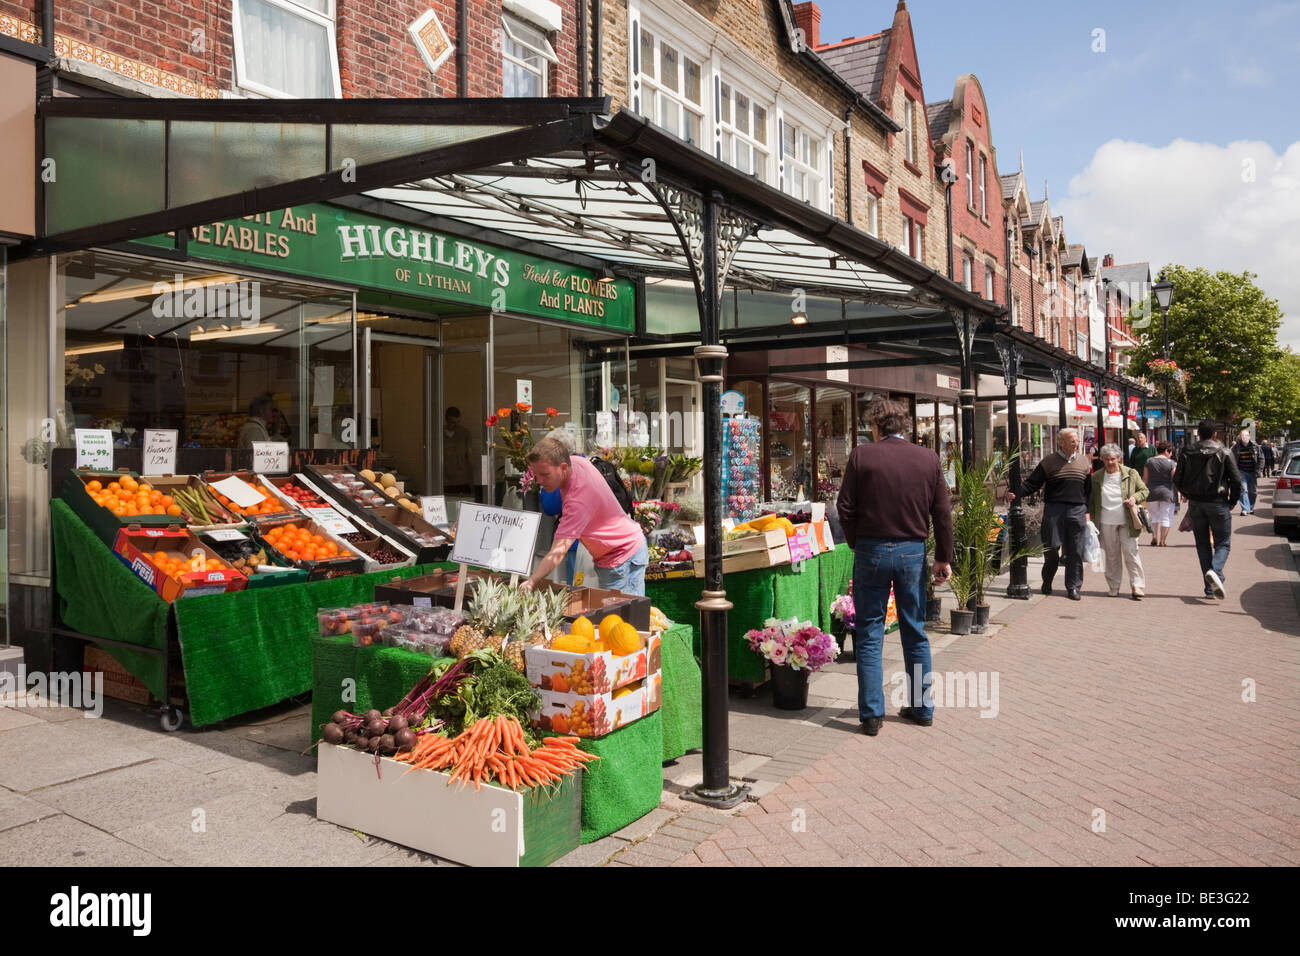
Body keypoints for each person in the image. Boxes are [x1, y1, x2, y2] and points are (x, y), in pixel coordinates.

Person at [837, 399, 953, 736]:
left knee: (870, 632)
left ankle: (872, 715)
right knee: (914, 631)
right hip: (911, 551)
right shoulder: (927, 458)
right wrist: (943, 557)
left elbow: (845, 507)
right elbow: (942, 512)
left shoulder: (862, 455)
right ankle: (921, 707)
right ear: (904, 426)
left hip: (872, 548)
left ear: (875, 425)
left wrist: (859, 541)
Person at [521, 436, 648, 596]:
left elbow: (558, 552)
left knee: (625, 618)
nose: (539, 481)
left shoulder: (577, 502)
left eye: (545, 474)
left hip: (622, 557)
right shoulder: (576, 461)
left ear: (563, 467)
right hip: (622, 552)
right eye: (536, 475)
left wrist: (532, 581)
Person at [1009, 428, 1092, 601]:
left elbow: (1088, 491)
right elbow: (1033, 483)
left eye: (1077, 440)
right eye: (1072, 440)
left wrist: (1088, 511)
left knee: (1075, 551)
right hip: (1054, 510)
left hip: (1077, 510)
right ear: (1061, 442)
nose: (1076, 443)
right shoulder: (1049, 461)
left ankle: (1074, 587)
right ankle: (1047, 581)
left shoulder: (1084, 462)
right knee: (1051, 549)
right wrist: (1016, 492)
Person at [1175, 420, 1242, 600]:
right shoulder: (1224, 451)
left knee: (1203, 545)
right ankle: (1215, 571)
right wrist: (1233, 500)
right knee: (1223, 543)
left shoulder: (1188, 451)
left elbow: (1177, 479)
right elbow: (1236, 480)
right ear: (1214, 434)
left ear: (1198, 433)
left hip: (1196, 503)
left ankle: (1210, 588)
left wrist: (1186, 493)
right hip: (1218, 501)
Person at [1089, 444, 1149, 599]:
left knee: (1131, 553)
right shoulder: (1096, 477)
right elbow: (1092, 501)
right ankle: (1114, 586)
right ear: (1102, 459)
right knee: (1111, 555)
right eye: (1106, 459)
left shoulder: (1131, 473)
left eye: (1113, 459)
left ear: (1119, 459)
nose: (1110, 462)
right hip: (1106, 521)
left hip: (1127, 520)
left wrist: (1134, 498)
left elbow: (1144, 490)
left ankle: (1137, 585)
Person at [1143, 441, 1178, 547]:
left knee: (1153, 516)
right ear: (1167, 451)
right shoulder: (1171, 463)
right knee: (1166, 517)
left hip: (1152, 492)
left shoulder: (1149, 461)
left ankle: (1154, 536)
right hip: (1167, 492)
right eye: (1171, 452)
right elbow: (1174, 479)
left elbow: (1145, 479)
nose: (1171, 454)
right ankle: (1162, 540)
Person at [442, 406, 474, 494]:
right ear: (446, 419)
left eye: (458, 422)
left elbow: (469, 456)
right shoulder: (438, 434)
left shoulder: (464, 433)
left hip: (462, 478)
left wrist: (471, 479)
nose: (455, 425)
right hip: (444, 478)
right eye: (452, 422)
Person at [1231, 429, 1258, 515]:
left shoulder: (1255, 446)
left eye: (1246, 436)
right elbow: (1231, 459)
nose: (1244, 437)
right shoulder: (1236, 447)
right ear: (1240, 437)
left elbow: (1261, 458)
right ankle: (1245, 509)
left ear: (1249, 436)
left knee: (1253, 492)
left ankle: (1250, 507)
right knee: (1243, 490)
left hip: (1253, 472)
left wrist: (1259, 470)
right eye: (1243, 436)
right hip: (1241, 472)